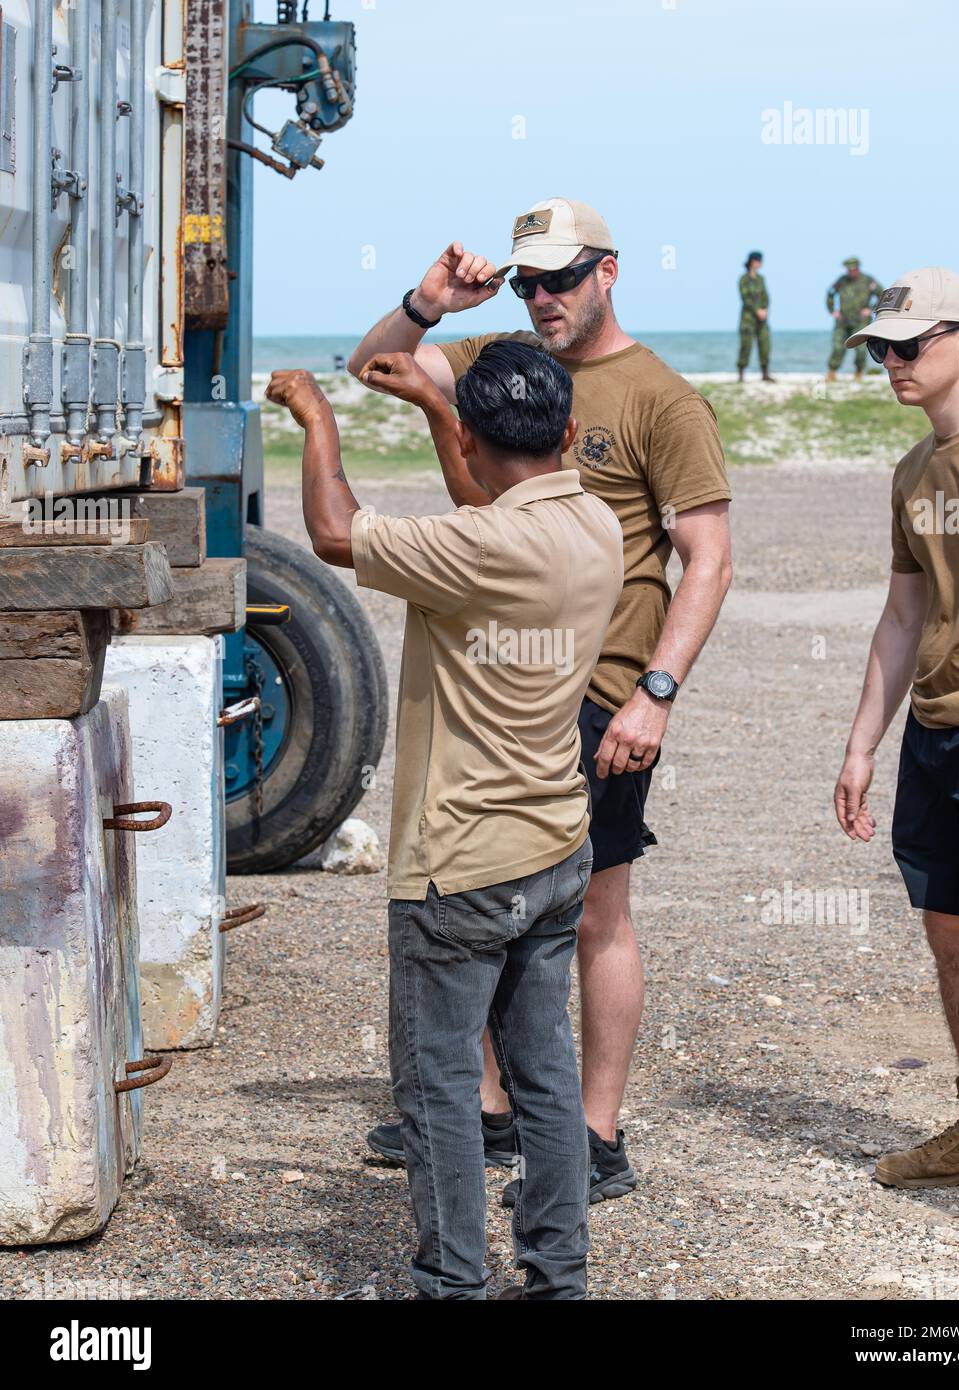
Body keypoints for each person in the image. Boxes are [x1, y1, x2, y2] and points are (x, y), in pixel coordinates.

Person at [349, 197, 733, 1206]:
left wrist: (655, 694)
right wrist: (425, 305)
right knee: (474, 895)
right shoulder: (506, 359)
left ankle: (596, 1133)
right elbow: (375, 368)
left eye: (559, 278)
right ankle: (486, 1108)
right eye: (526, 281)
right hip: (499, 684)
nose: (541, 297)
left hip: (602, 692)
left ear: (608, 273)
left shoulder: (662, 399)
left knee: (596, 911)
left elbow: (707, 560)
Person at [266, 342, 623, 1299]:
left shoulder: (480, 549)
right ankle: (558, 1274)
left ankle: (455, 1282)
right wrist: (435, 404)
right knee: (545, 1079)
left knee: (438, 1093)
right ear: (571, 435)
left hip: (459, 865)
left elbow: (336, 534)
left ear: (471, 436)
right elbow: (491, 505)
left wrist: (316, 417)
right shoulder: (596, 526)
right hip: (555, 847)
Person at [834, 266, 959, 1263]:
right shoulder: (912, 472)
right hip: (935, 730)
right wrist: (860, 744)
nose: (889, 362)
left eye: (907, 345)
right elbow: (902, 613)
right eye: (881, 346)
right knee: (951, 928)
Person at [825, 256, 882, 381]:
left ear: (858, 268)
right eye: (849, 269)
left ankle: (858, 372)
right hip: (842, 321)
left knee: (861, 349)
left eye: (853, 269)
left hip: (861, 321)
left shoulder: (868, 280)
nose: (851, 271)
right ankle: (832, 372)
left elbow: (882, 295)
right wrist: (832, 311)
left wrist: (871, 309)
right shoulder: (842, 281)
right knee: (837, 347)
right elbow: (830, 293)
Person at [737, 251, 773, 383]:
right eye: (757, 260)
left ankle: (765, 373)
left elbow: (766, 296)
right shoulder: (744, 279)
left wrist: (765, 309)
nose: (759, 263)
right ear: (751, 262)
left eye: (760, 261)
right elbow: (745, 298)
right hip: (748, 319)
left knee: (765, 345)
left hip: (762, 320)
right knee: (746, 346)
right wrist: (756, 310)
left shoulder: (761, 279)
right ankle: (741, 374)